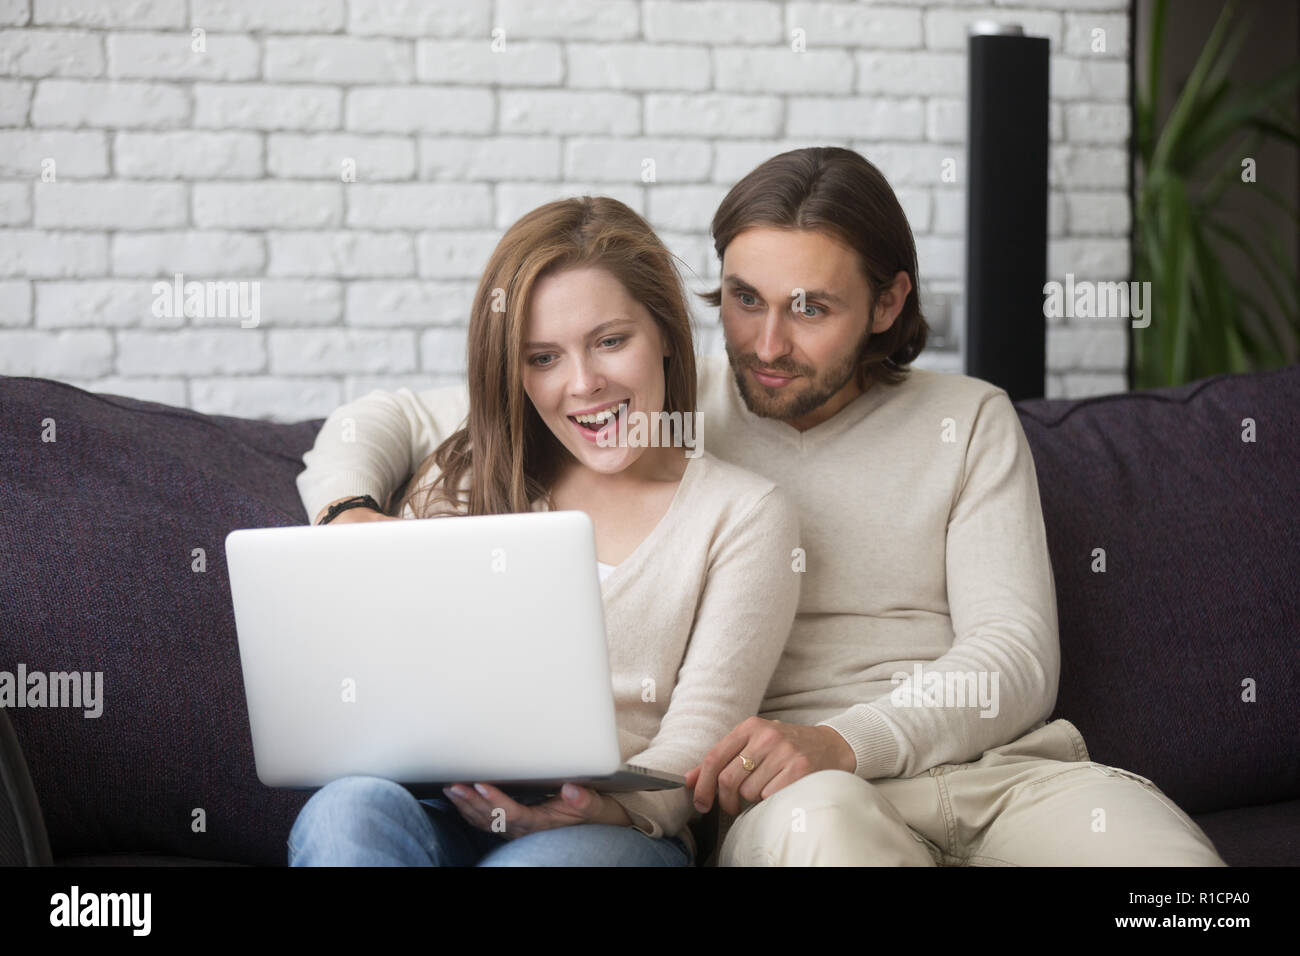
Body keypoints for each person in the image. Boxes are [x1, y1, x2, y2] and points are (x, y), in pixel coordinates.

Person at [297, 147, 1225, 867]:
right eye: (743, 300)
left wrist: (842, 739)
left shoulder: (966, 419)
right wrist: (347, 512)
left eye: (810, 307)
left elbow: (1016, 655)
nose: (767, 343)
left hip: (998, 776)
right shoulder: (649, 414)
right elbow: (411, 414)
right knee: (826, 836)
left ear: (888, 301)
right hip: (792, 799)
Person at [287, 196, 801, 867]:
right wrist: (344, 515)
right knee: (342, 812)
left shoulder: (744, 515)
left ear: (667, 335)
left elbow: (698, 747)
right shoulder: (472, 475)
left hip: (605, 830)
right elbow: (371, 424)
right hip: (440, 804)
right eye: (543, 358)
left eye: (611, 341)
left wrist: (607, 808)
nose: (583, 384)